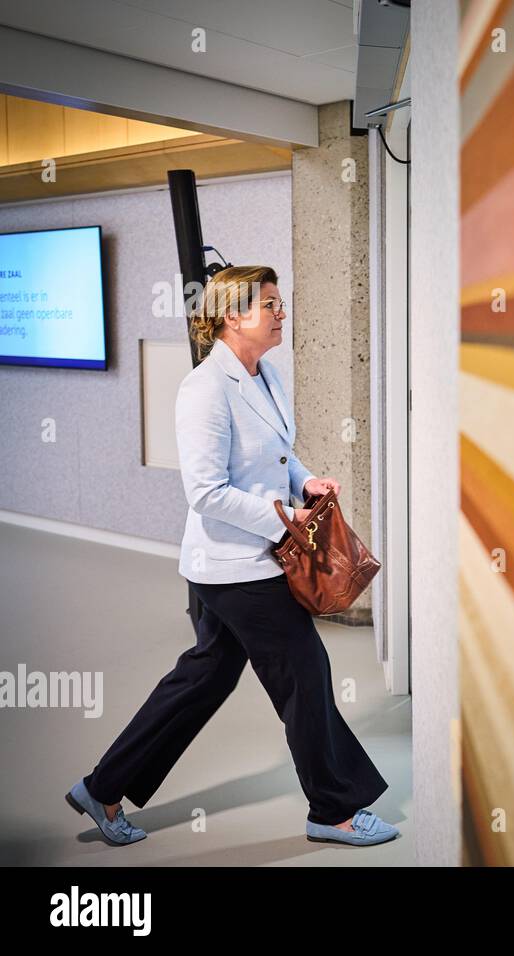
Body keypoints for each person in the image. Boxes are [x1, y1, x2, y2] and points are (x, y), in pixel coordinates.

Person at [65, 265, 397, 848]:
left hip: (250, 556)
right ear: (230, 315)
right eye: (269, 304)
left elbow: (277, 457)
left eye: (279, 302)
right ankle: (334, 809)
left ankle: (103, 787)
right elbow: (205, 492)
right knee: (305, 671)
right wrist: (282, 517)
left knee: (204, 678)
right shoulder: (204, 390)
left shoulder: (266, 374)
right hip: (231, 565)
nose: (280, 313)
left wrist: (304, 484)